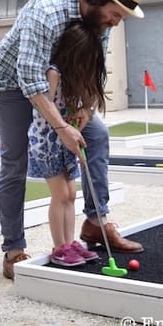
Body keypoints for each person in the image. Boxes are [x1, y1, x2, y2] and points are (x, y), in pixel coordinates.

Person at [0, 0, 147, 280]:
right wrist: (62, 128)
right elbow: (30, 80)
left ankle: (95, 223)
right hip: (12, 87)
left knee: (97, 134)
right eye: (116, 15)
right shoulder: (45, 10)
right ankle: (14, 250)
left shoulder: (102, 23)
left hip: (59, 88)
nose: (116, 23)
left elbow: (91, 67)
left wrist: (84, 107)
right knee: (15, 160)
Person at [28, 20, 105, 267]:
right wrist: (64, 124)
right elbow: (44, 109)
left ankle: (71, 243)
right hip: (47, 141)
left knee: (72, 193)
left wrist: (76, 114)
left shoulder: (71, 78)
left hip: (64, 141)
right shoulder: (54, 73)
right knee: (60, 194)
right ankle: (59, 247)